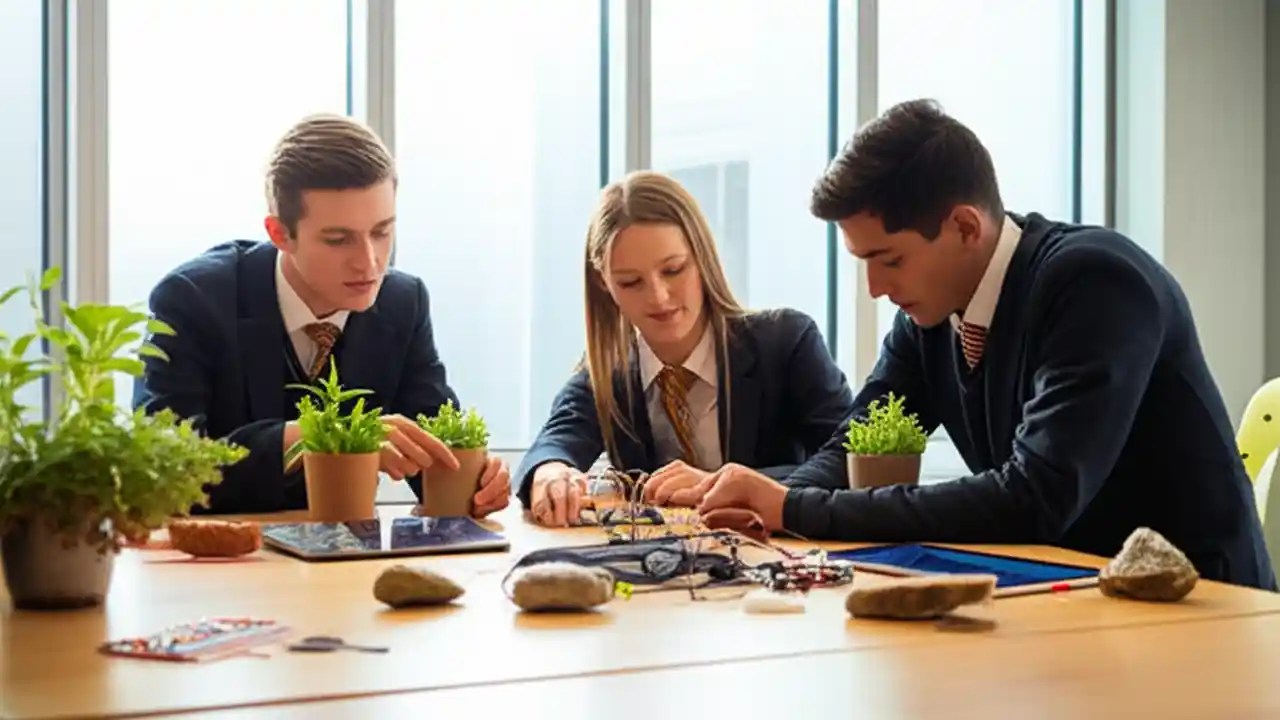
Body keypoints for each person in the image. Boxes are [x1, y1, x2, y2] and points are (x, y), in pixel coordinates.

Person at [696, 99, 1276, 590]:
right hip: (1069, 594)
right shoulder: (930, 317)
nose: (875, 289)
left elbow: (1036, 497)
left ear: (966, 228)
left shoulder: (1095, 283)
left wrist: (792, 508)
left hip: (1197, 609)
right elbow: (851, 450)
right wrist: (759, 500)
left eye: (889, 260)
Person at [134, 114, 511, 517]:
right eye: (338, 239)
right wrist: (316, 437)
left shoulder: (404, 302)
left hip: (347, 566)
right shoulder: (192, 299)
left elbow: (429, 447)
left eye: (382, 232)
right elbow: (161, 469)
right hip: (216, 565)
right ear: (280, 234)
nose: (369, 263)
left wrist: (477, 480)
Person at [515, 170, 854, 527]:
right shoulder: (607, 372)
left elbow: (848, 460)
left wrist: (723, 484)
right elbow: (554, 444)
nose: (658, 297)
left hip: (777, 562)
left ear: (702, 258)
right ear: (604, 284)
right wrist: (550, 473)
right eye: (631, 282)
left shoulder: (786, 342)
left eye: (673, 270)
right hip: (662, 567)